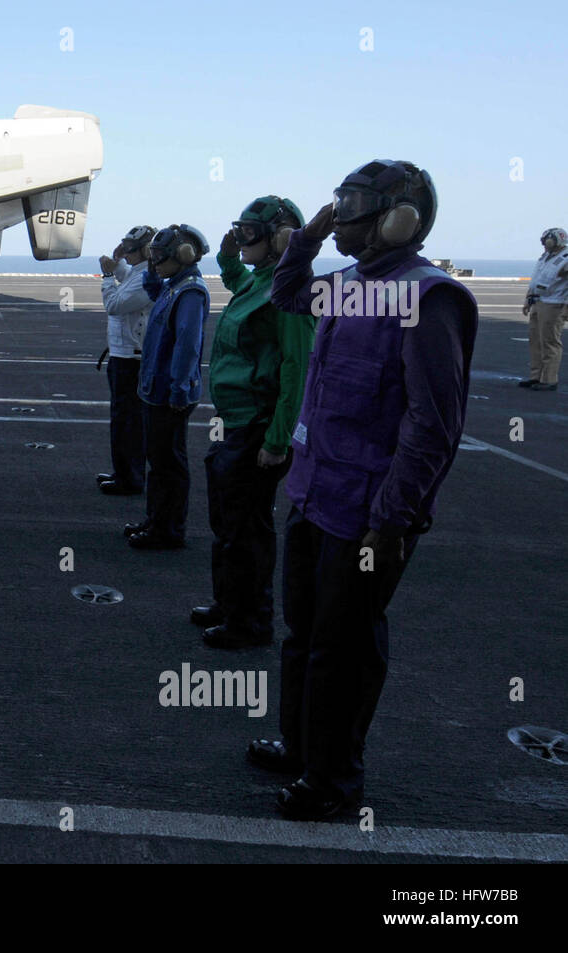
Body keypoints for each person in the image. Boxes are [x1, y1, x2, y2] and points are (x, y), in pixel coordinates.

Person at [260, 160, 477, 820]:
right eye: (340, 201)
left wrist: (392, 521)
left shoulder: (428, 295)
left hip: (366, 515)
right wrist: (308, 239)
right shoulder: (351, 283)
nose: (343, 213)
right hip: (314, 492)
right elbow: (286, 294)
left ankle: (333, 779)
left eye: (354, 203)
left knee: (344, 650)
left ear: (399, 218)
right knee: (301, 633)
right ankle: (299, 748)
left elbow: (431, 424)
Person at [195, 197, 315, 649]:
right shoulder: (263, 282)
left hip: (259, 429)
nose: (243, 239)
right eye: (241, 230)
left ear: (281, 239)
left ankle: (250, 621)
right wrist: (227, 254)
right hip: (236, 425)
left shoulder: (289, 293)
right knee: (228, 524)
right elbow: (236, 280)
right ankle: (229, 605)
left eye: (250, 232)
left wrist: (278, 440)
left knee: (247, 531)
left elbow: (295, 370)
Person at [126, 225, 210, 550]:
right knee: (158, 461)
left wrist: (178, 389)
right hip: (156, 390)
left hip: (168, 395)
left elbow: (187, 345)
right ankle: (155, 520)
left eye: (161, 257)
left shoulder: (190, 292)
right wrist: (151, 269)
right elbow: (153, 291)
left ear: (184, 255)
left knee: (169, 465)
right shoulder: (173, 286)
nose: (156, 262)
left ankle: (169, 530)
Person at [95, 226, 157, 496]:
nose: (127, 252)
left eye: (132, 248)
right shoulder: (140, 272)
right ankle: (123, 472)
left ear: (145, 250)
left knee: (128, 422)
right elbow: (128, 277)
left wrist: (107, 274)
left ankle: (130, 478)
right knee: (123, 420)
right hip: (125, 357)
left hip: (131, 360)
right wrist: (117, 261)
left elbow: (114, 304)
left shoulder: (147, 277)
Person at [520, 227, 568, 391]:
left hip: (554, 304)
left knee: (550, 342)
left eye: (548, 240)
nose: (545, 244)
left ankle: (549, 379)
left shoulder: (565, 258)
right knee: (535, 341)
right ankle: (536, 376)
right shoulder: (546, 257)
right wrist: (528, 299)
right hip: (538, 301)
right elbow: (537, 280)